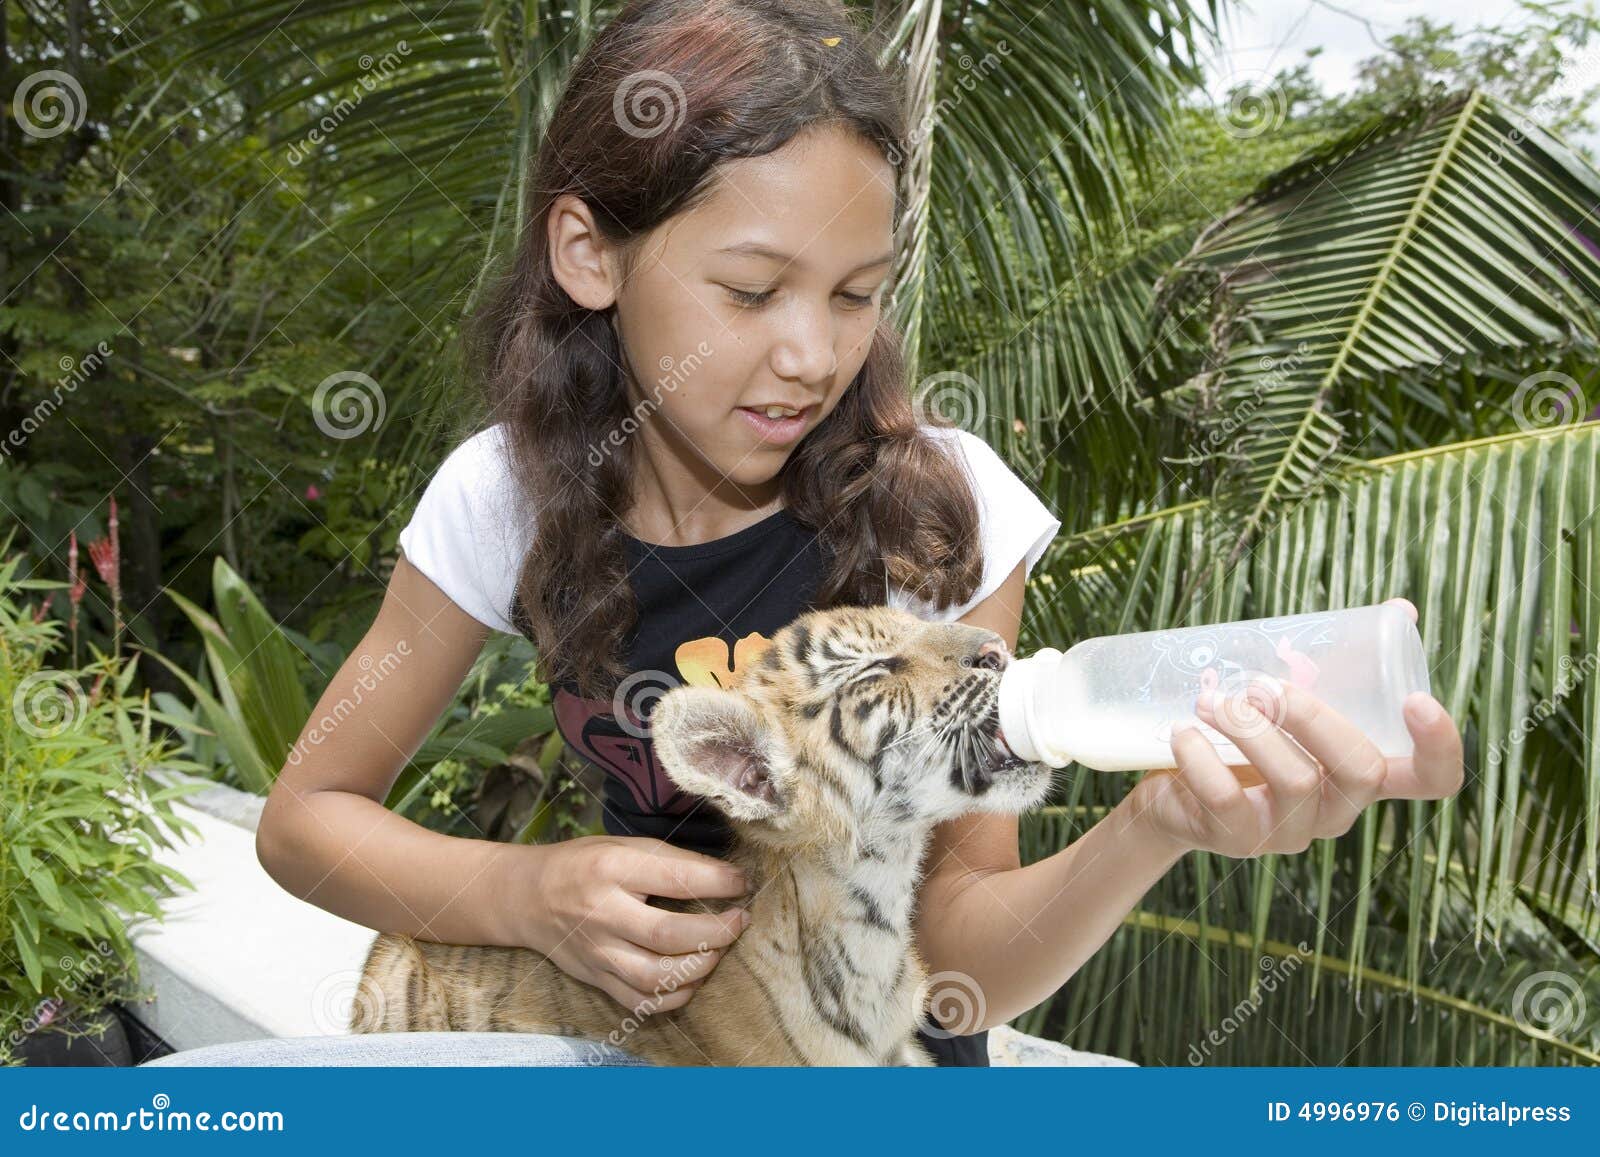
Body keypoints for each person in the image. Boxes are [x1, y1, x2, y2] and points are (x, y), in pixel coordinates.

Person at [241, 0, 1465, 1070]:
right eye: (750, 290)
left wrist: (1156, 823)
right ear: (588, 253)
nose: (811, 355)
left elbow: (957, 958)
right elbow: (306, 819)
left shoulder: (939, 513)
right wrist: (523, 889)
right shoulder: (503, 496)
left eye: (855, 293)